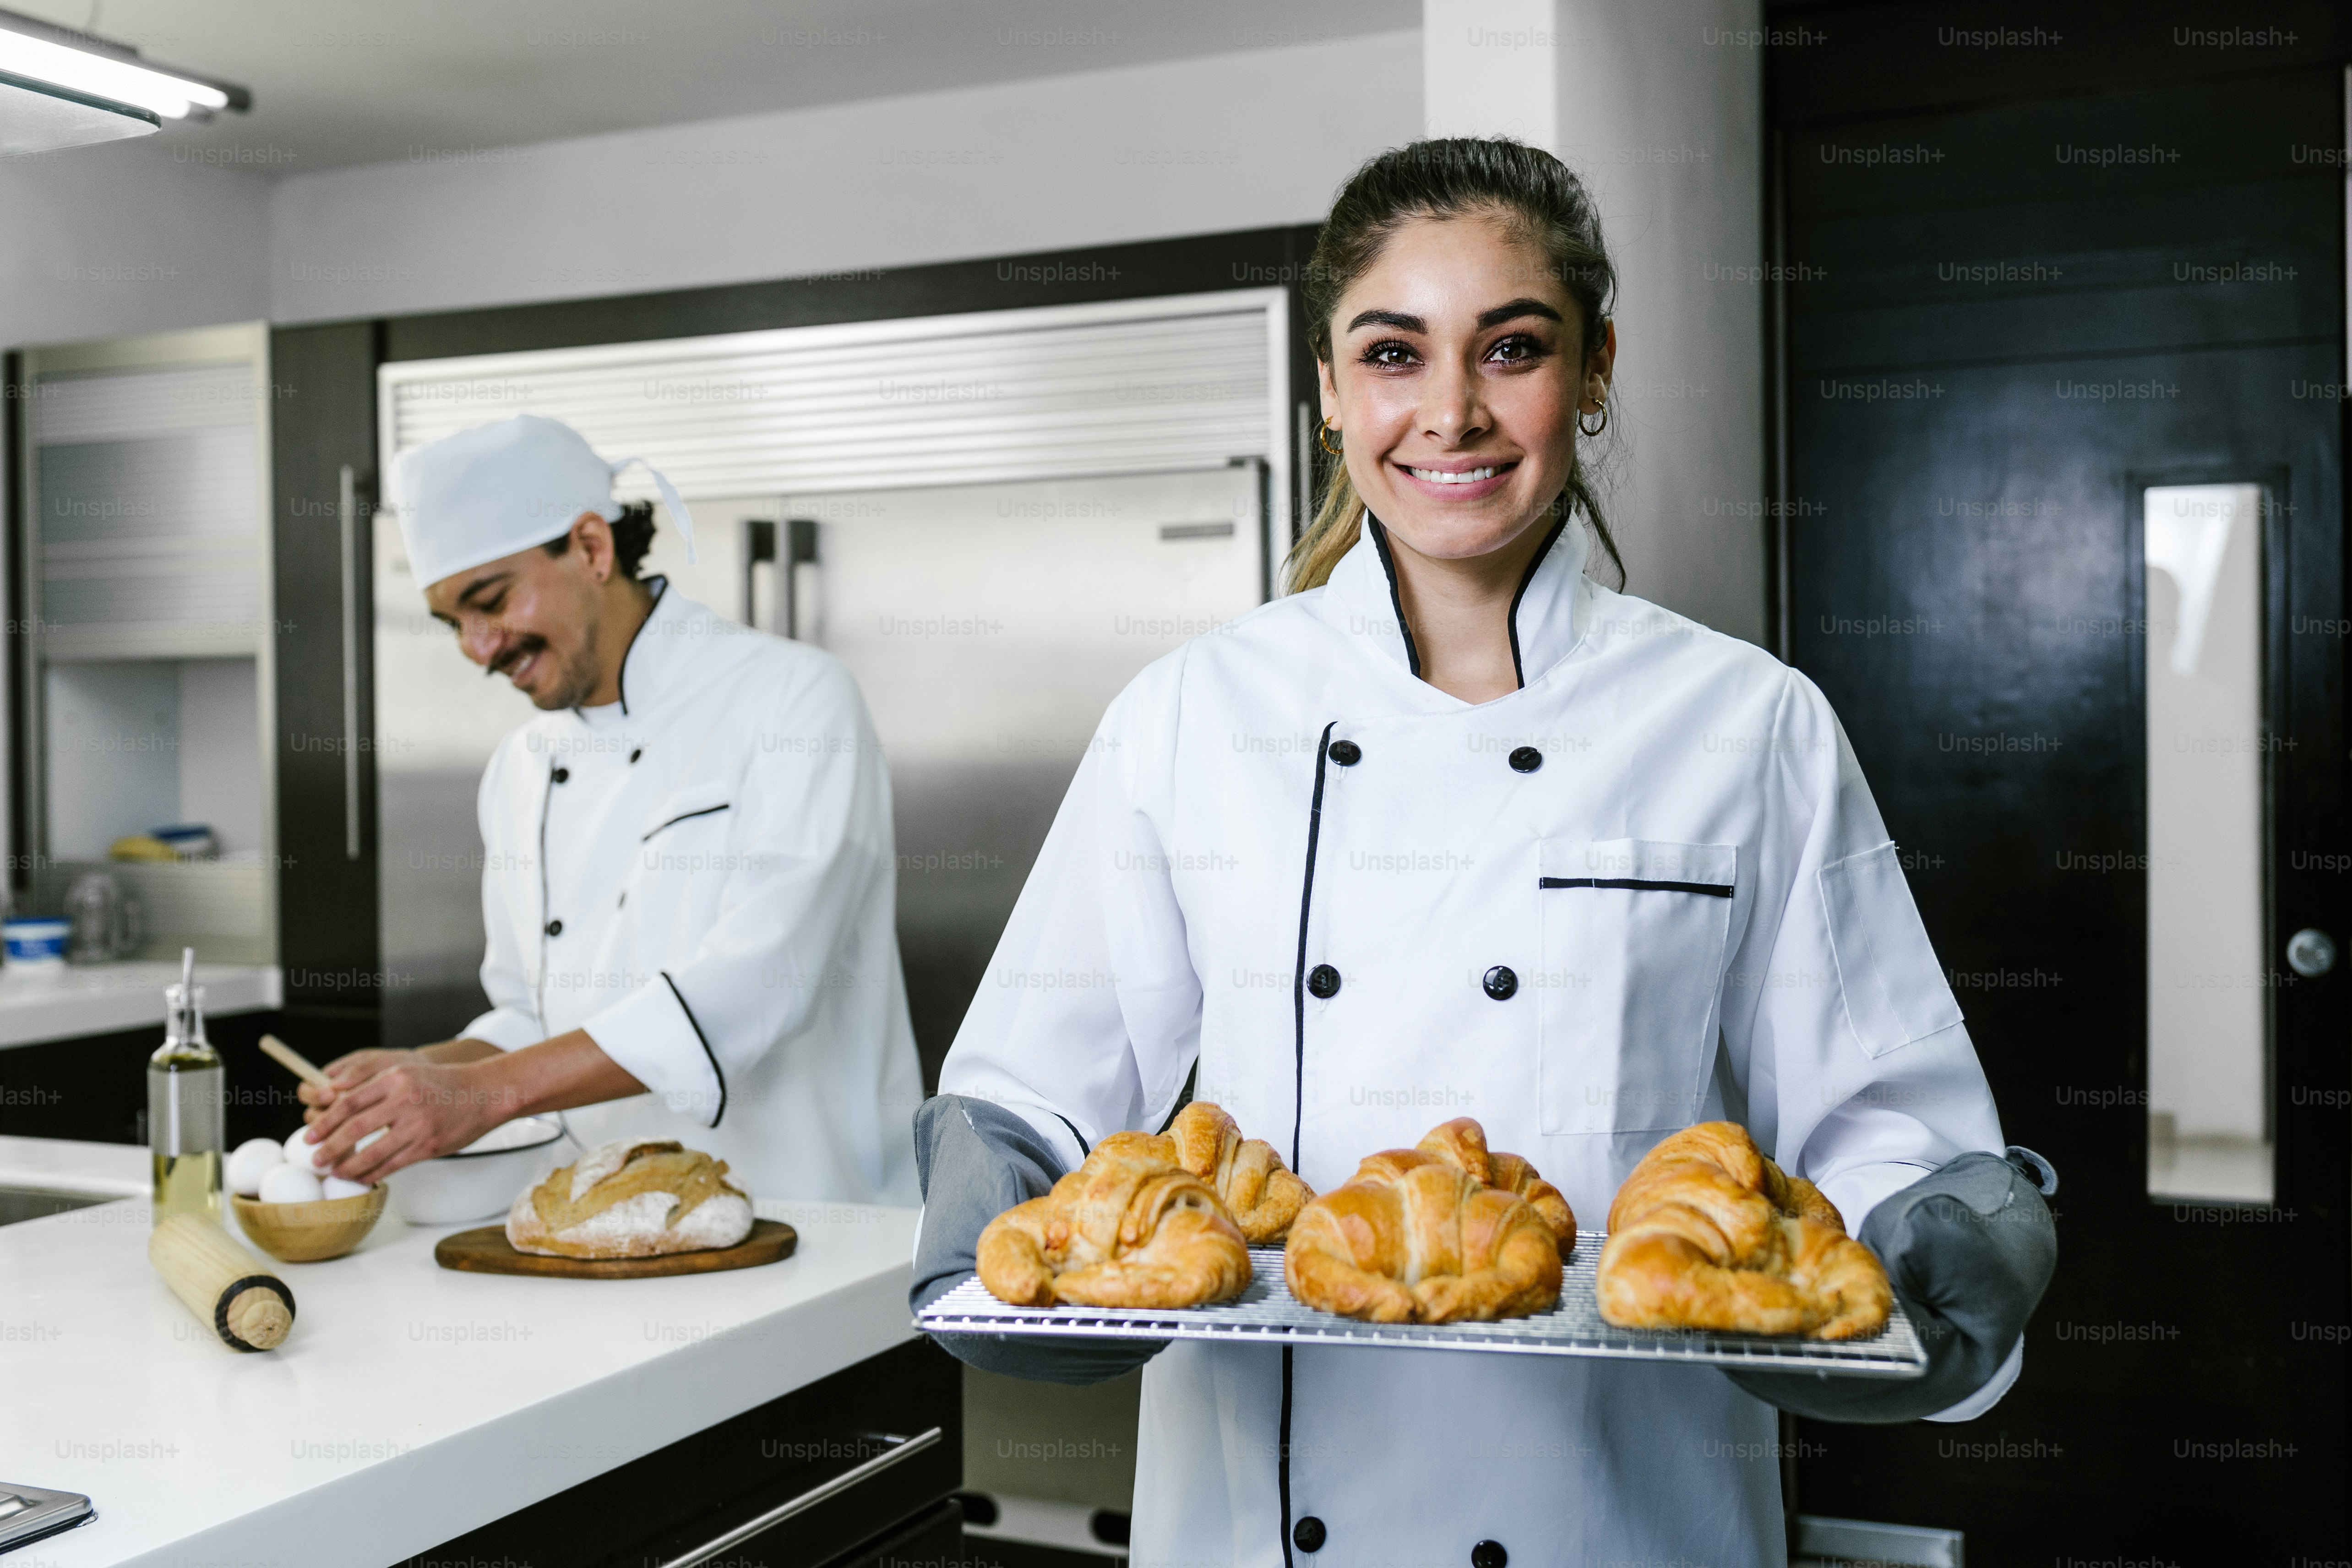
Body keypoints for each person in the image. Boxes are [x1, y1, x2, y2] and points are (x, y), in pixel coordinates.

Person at [911, 140, 2054, 1566]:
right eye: (1393, 353)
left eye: (1512, 348)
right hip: (1266, 1516)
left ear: (1594, 372)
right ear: (1330, 391)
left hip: (1621, 1509)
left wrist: (1932, 1246)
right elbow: (1046, 1078)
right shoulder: (1194, 715)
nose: (1450, 412)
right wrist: (1003, 1206)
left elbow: (1878, 1107)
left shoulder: (1747, 721)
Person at [299, 414, 921, 1205]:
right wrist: (424, 1071)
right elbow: (535, 1014)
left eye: (490, 601)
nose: (478, 648)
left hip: (810, 1221)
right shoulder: (521, 769)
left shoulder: (795, 702)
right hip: (605, 1224)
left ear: (592, 548)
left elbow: (764, 982)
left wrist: (486, 1093)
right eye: (454, 622)